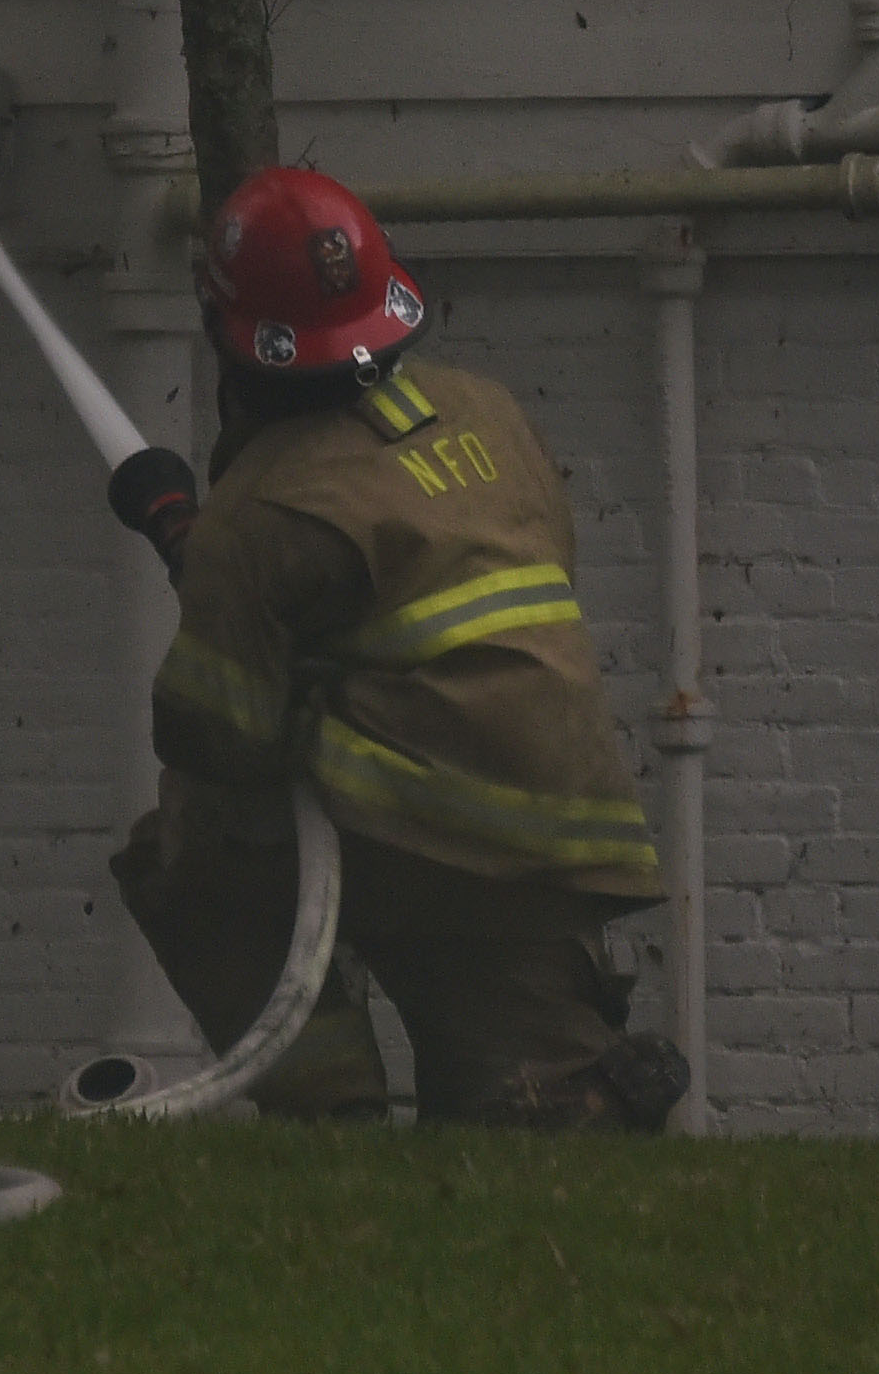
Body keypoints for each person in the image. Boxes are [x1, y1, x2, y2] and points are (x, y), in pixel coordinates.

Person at [111, 167, 683, 1129]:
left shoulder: (262, 507)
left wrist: (211, 569)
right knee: (522, 1102)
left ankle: (327, 1106)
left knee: (188, 842)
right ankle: (566, 1100)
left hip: (424, 827)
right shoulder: (483, 411)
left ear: (227, 330)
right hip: (570, 820)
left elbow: (215, 734)